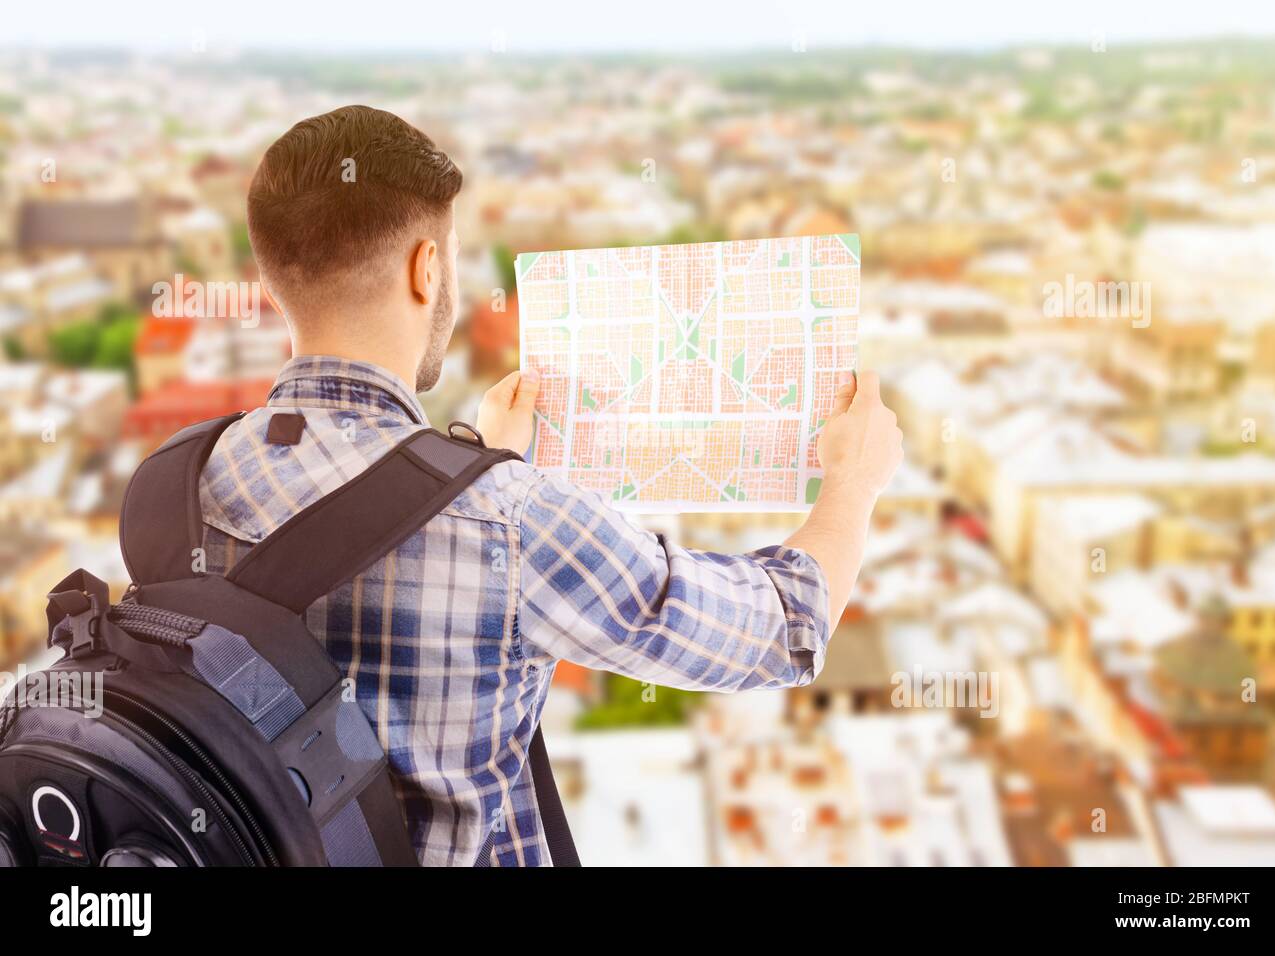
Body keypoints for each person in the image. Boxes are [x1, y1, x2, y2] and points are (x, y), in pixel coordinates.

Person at [199, 105, 904, 865]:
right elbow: (781, 629)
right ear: (425, 269)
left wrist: (469, 462)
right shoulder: (514, 525)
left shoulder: (179, 478)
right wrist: (853, 486)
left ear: (272, 281)